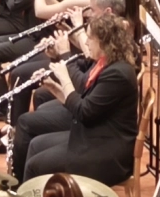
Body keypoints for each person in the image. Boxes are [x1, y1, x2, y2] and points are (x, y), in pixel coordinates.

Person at [8, 13, 140, 186]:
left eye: (90, 38)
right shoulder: (106, 63)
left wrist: (65, 78)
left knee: (34, 166)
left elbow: (83, 112)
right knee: (35, 144)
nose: (86, 42)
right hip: (92, 136)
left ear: (104, 42)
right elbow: (84, 102)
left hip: (106, 153)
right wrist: (53, 88)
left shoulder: (118, 74)